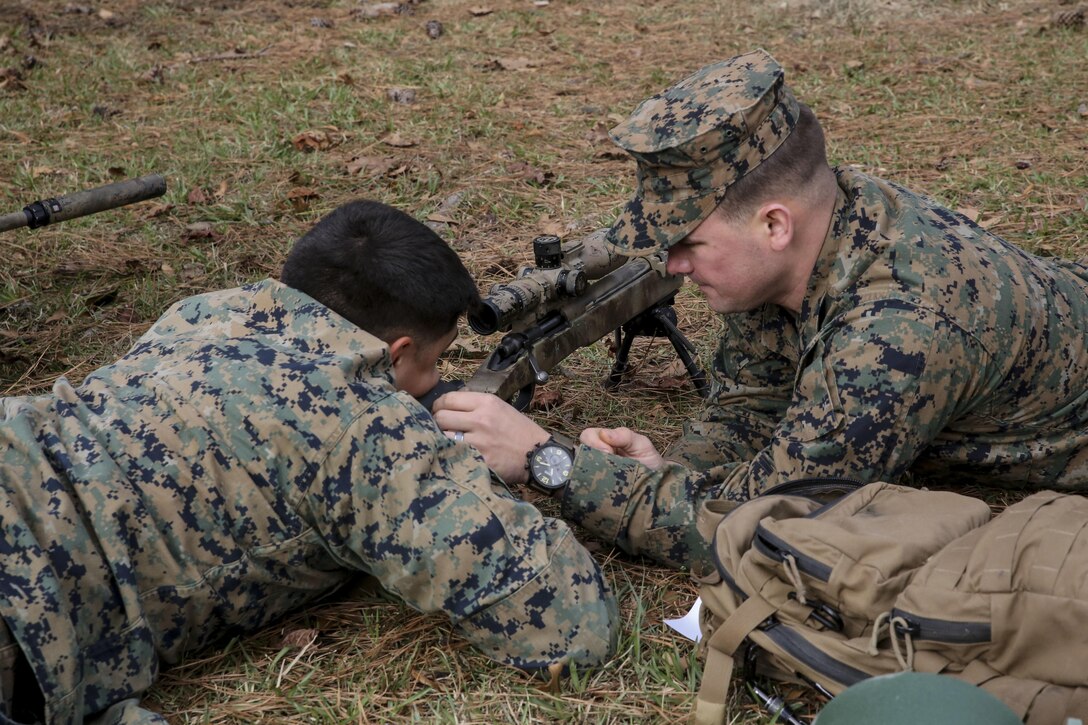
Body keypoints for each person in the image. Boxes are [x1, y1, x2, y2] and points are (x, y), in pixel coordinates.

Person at [432, 49, 1088, 573]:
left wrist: (554, 461)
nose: (674, 266)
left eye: (688, 244)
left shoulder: (898, 331)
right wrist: (670, 473)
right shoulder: (812, 233)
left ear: (774, 224)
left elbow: (757, 528)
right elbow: (752, 400)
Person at [0, 200, 618, 724]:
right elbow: (571, 630)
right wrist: (544, 459)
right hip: (27, 608)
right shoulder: (364, 428)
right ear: (399, 352)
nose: (432, 380)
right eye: (434, 362)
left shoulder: (201, 313)